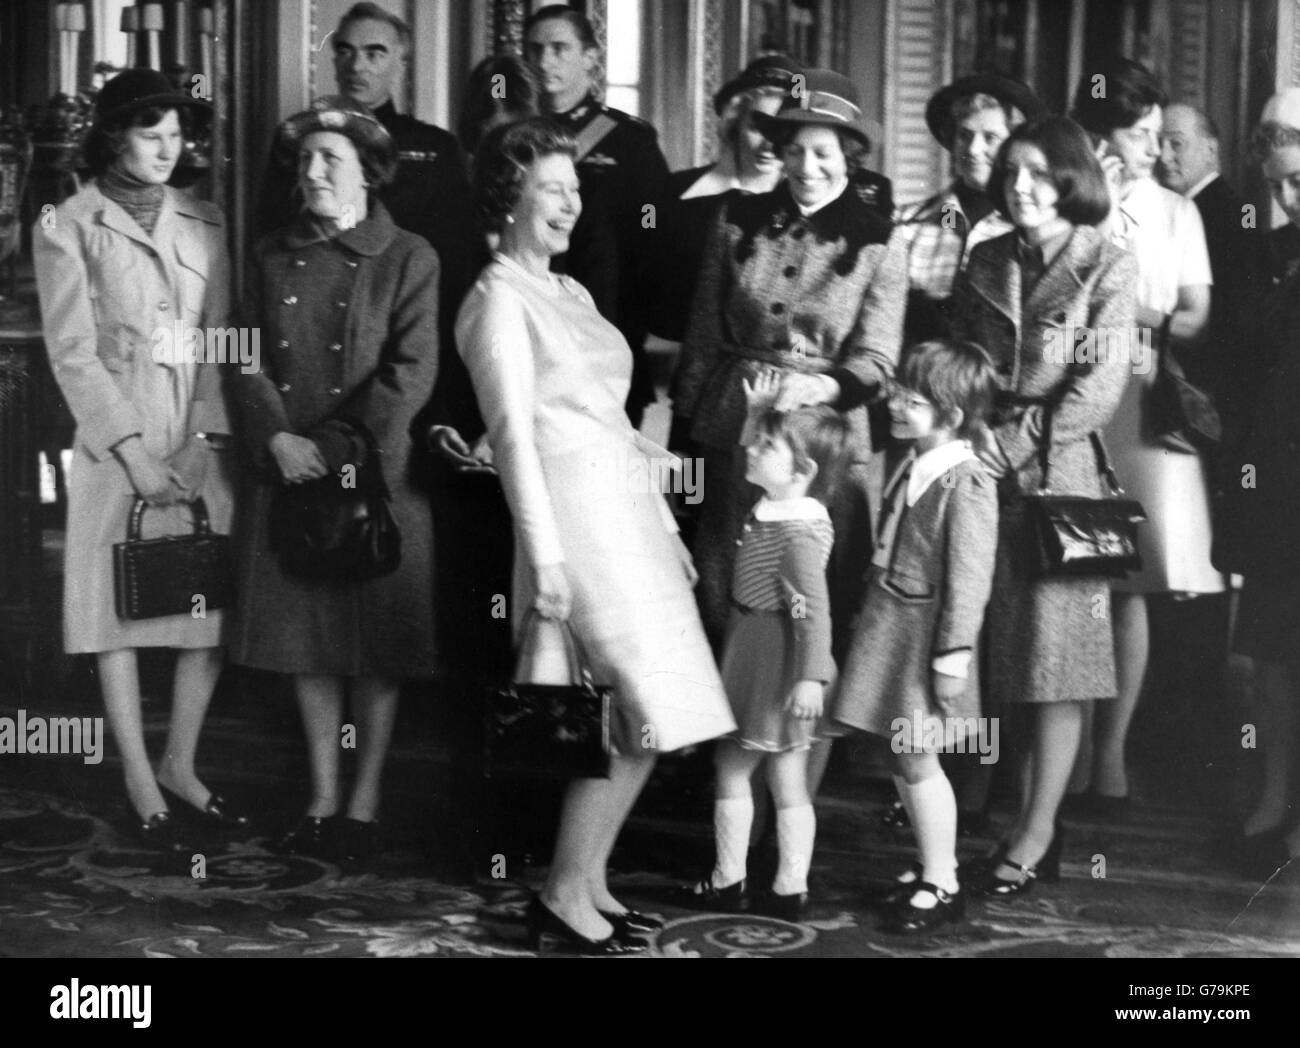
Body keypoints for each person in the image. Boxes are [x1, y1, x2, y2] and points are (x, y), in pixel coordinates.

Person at [456, 117, 736, 954]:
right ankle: (559, 896)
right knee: (631, 708)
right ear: (510, 197)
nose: (571, 205)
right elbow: (511, 443)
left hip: (628, 520)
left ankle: (585, 883)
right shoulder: (495, 299)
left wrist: (664, 522)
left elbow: (615, 424)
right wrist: (543, 561)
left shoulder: (569, 292)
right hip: (574, 529)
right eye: (553, 189)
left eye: (576, 190)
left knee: (655, 713)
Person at [32, 69, 243, 853]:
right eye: (150, 133)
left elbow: (222, 342)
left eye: (177, 134)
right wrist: (130, 452)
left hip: (195, 443)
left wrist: (201, 438)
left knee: (206, 613)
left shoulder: (207, 221)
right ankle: (138, 779)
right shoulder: (67, 222)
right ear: (114, 134)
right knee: (113, 613)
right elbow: (71, 350)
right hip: (113, 446)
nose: (167, 148)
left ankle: (181, 764)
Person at [230, 98, 440, 863]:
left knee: (375, 648)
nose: (312, 173)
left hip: (374, 475)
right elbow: (240, 351)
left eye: (331, 160)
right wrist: (274, 437)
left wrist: (326, 443)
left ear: (368, 173)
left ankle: (365, 800)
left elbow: (411, 372)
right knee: (308, 644)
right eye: (305, 160)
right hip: (286, 469)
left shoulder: (409, 255)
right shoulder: (267, 254)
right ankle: (322, 795)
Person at [950, 115, 1138, 896]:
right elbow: (958, 363)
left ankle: (1036, 834)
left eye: (1037, 172)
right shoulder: (987, 257)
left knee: (1057, 666)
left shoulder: (1110, 264)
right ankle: (994, 819)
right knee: (998, 661)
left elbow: (1099, 389)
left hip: (1062, 483)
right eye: (1010, 173)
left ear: (1072, 178)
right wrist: (966, 432)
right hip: (980, 472)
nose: (1019, 186)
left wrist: (1013, 440)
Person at [675, 68, 907, 653]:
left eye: (823, 152)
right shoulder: (734, 220)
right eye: (795, 150)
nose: (807, 167)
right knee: (726, 572)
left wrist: (821, 390)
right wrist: (686, 442)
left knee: (816, 588)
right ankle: (728, 729)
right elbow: (703, 334)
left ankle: (805, 731)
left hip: (824, 437)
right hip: (734, 424)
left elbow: (878, 359)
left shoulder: (880, 238)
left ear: (849, 156)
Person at [1069, 59, 1216, 817]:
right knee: (1069, 580)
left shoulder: (1172, 211)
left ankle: (1111, 755)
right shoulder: (1072, 198)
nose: (1154, 149)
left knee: (1128, 586)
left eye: (1161, 136)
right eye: (1139, 132)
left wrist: (1137, 316)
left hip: (1140, 403)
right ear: (1100, 133)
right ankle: (1058, 757)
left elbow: (1194, 313)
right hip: (1074, 399)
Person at [832, 339, 998, 931]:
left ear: (952, 416)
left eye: (915, 401)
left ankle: (943, 882)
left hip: (927, 642)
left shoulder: (968, 482)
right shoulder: (913, 462)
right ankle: (935, 862)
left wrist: (953, 655)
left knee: (918, 758)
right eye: (899, 393)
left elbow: (970, 581)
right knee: (904, 758)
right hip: (891, 628)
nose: (897, 406)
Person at [688, 373, 850, 921]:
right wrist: (757, 416)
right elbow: (747, 474)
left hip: (775, 656)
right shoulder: (779, 505)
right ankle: (785, 888)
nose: (754, 451)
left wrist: (809, 677)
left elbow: (813, 609)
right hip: (758, 647)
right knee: (783, 776)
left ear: (802, 471)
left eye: (767, 445)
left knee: (735, 767)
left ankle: (730, 879)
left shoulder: (799, 533)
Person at [1214, 89, 1300, 870]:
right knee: (1272, 657)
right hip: (1279, 489)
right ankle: (1275, 795)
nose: (1288, 198)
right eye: (1278, 185)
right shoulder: (1277, 256)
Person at [524, 4, 671, 426]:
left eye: (559, 48)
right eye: (535, 50)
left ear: (590, 56)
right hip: (531, 326)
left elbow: (652, 228)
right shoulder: (513, 137)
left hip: (605, 329)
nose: (545, 61)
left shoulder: (628, 140)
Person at [653, 54, 803, 346]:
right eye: (758, 127)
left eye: (782, 131)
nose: (769, 145)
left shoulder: (802, 207)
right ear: (736, 122)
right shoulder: (673, 191)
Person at [895, 73, 1046, 343]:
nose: (974, 150)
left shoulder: (1036, 235)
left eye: (990, 137)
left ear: (1015, 147)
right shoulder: (904, 224)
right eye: (964, 136)